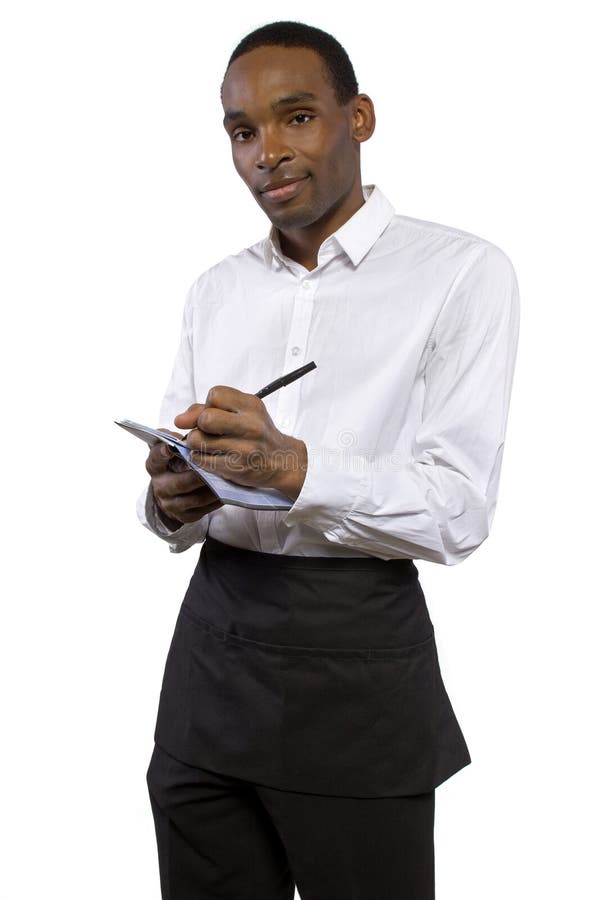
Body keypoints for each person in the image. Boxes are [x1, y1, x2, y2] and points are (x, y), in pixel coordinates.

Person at [140, 19, 520, 900]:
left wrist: (293, 469)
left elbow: (459, 513)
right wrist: (170, 498)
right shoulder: (216, 289)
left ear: (360, 118)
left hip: (356, 663)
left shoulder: (462, 274)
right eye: (243, 131)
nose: (266, 152)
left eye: (298, 117)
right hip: (210, 657)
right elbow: (172, 493)